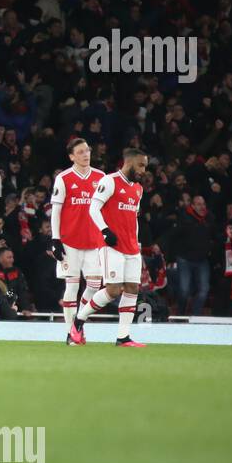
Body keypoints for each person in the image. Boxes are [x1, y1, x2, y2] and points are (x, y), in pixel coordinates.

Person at [70, 148, 147, 347]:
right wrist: (105, 231)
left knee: (132, 289)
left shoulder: (138, 188)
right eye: (141, 165)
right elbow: (93, 208)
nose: (144, 170)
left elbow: (134, 219)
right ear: (129, 163)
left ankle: (123, 337)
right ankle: (78, 321)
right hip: (111, 245)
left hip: (131, 247)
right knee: (113, 290)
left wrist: (136, 241)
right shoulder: (110, 181)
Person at [50, 137, 106, 342]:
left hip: (94, 242)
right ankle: (71, 333)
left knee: (93, 286)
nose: (85, 154)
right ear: (72, 156)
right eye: (80, 152)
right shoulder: (63, 178)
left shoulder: (101, 177)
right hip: (69, 242)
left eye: (87, 150)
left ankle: (77, 324)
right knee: (71, 286)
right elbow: (56, 211)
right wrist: (55, 240)